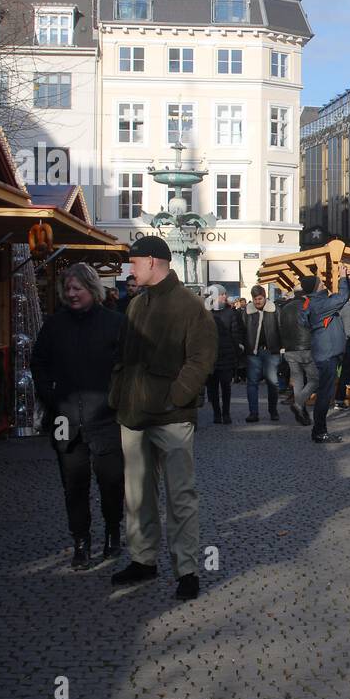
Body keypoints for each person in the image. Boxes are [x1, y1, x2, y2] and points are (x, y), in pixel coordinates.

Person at [107, 236, 216, 601]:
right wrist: (119, 396)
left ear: (153, 262)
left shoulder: (189, 306)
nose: (130, 269)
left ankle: (187, 570)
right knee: (137, 494)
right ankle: (143, 559)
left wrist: (176, 397)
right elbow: (122, 354)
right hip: (133, 414)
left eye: (134, 262)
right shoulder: (136, 305)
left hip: (171, 416)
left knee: (180, 494)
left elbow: (201, 359)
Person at [31, 263, 126, 568]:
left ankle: (113, 532)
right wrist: (51, 395)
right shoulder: (54, 326)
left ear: (92, 290)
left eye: (77, 289)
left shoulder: (115, 323)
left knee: (111, 482)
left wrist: (116, 397)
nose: (71, 294)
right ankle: (81, 541)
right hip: (64, 419)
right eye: (67, 289)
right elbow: (39, 364)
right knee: (74, 484)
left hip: (106, 418)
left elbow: (127, 366)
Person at [300, 266, 350, 442]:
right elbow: (343, 297)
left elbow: (342, 298)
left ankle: (319, 430)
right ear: (315, 288)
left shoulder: (315, 302)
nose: (323, 283)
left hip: (326, 352)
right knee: (325, 394)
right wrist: (343, 278)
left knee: (325, 392)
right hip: (327, 353)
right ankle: (319, 431)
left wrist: (347, 280)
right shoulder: (319, 304)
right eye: (320, 283)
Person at [205, 284, 245, 424]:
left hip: (226, 356)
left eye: (224, 294)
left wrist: (237, 351)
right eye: (222, 294)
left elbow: (235, 333)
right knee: (213, 388)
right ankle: (217, 413)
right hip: (211, 357)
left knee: (226, 387)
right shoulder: (206, 313)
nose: (225, 297)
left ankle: (226, 413)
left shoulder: (230, 313)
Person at [278, 287, 317, 426]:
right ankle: (298, 403)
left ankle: (302, 411)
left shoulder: (285, 307)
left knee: (298, 380)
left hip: (289, 349)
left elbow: (280, 327)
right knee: (315, 379)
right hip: (306, 348)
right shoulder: (308, 305)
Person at [243, 284, 281, 423]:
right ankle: (253, 413)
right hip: (253, 351)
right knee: (252, 383)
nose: (257, 302)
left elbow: (280, 327)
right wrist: (243, 346)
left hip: (272, 351)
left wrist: (281, 348)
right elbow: (242, 329)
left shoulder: (275, 310)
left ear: (265, 297)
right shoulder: (247, 312)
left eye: (260, 299)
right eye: (255, 299)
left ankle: (273, 411)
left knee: (273, 383)